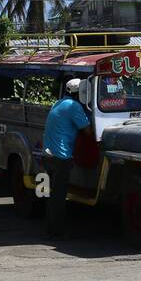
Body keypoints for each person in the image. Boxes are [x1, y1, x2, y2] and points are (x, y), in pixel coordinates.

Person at [43, 78, 90, 236]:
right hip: (60, 156)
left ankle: (51, 228)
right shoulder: (73, 106)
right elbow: (88, 131)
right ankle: (56, 232)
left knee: (53, 193)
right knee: (59, 195)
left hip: (49, 155)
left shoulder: (59, 103)